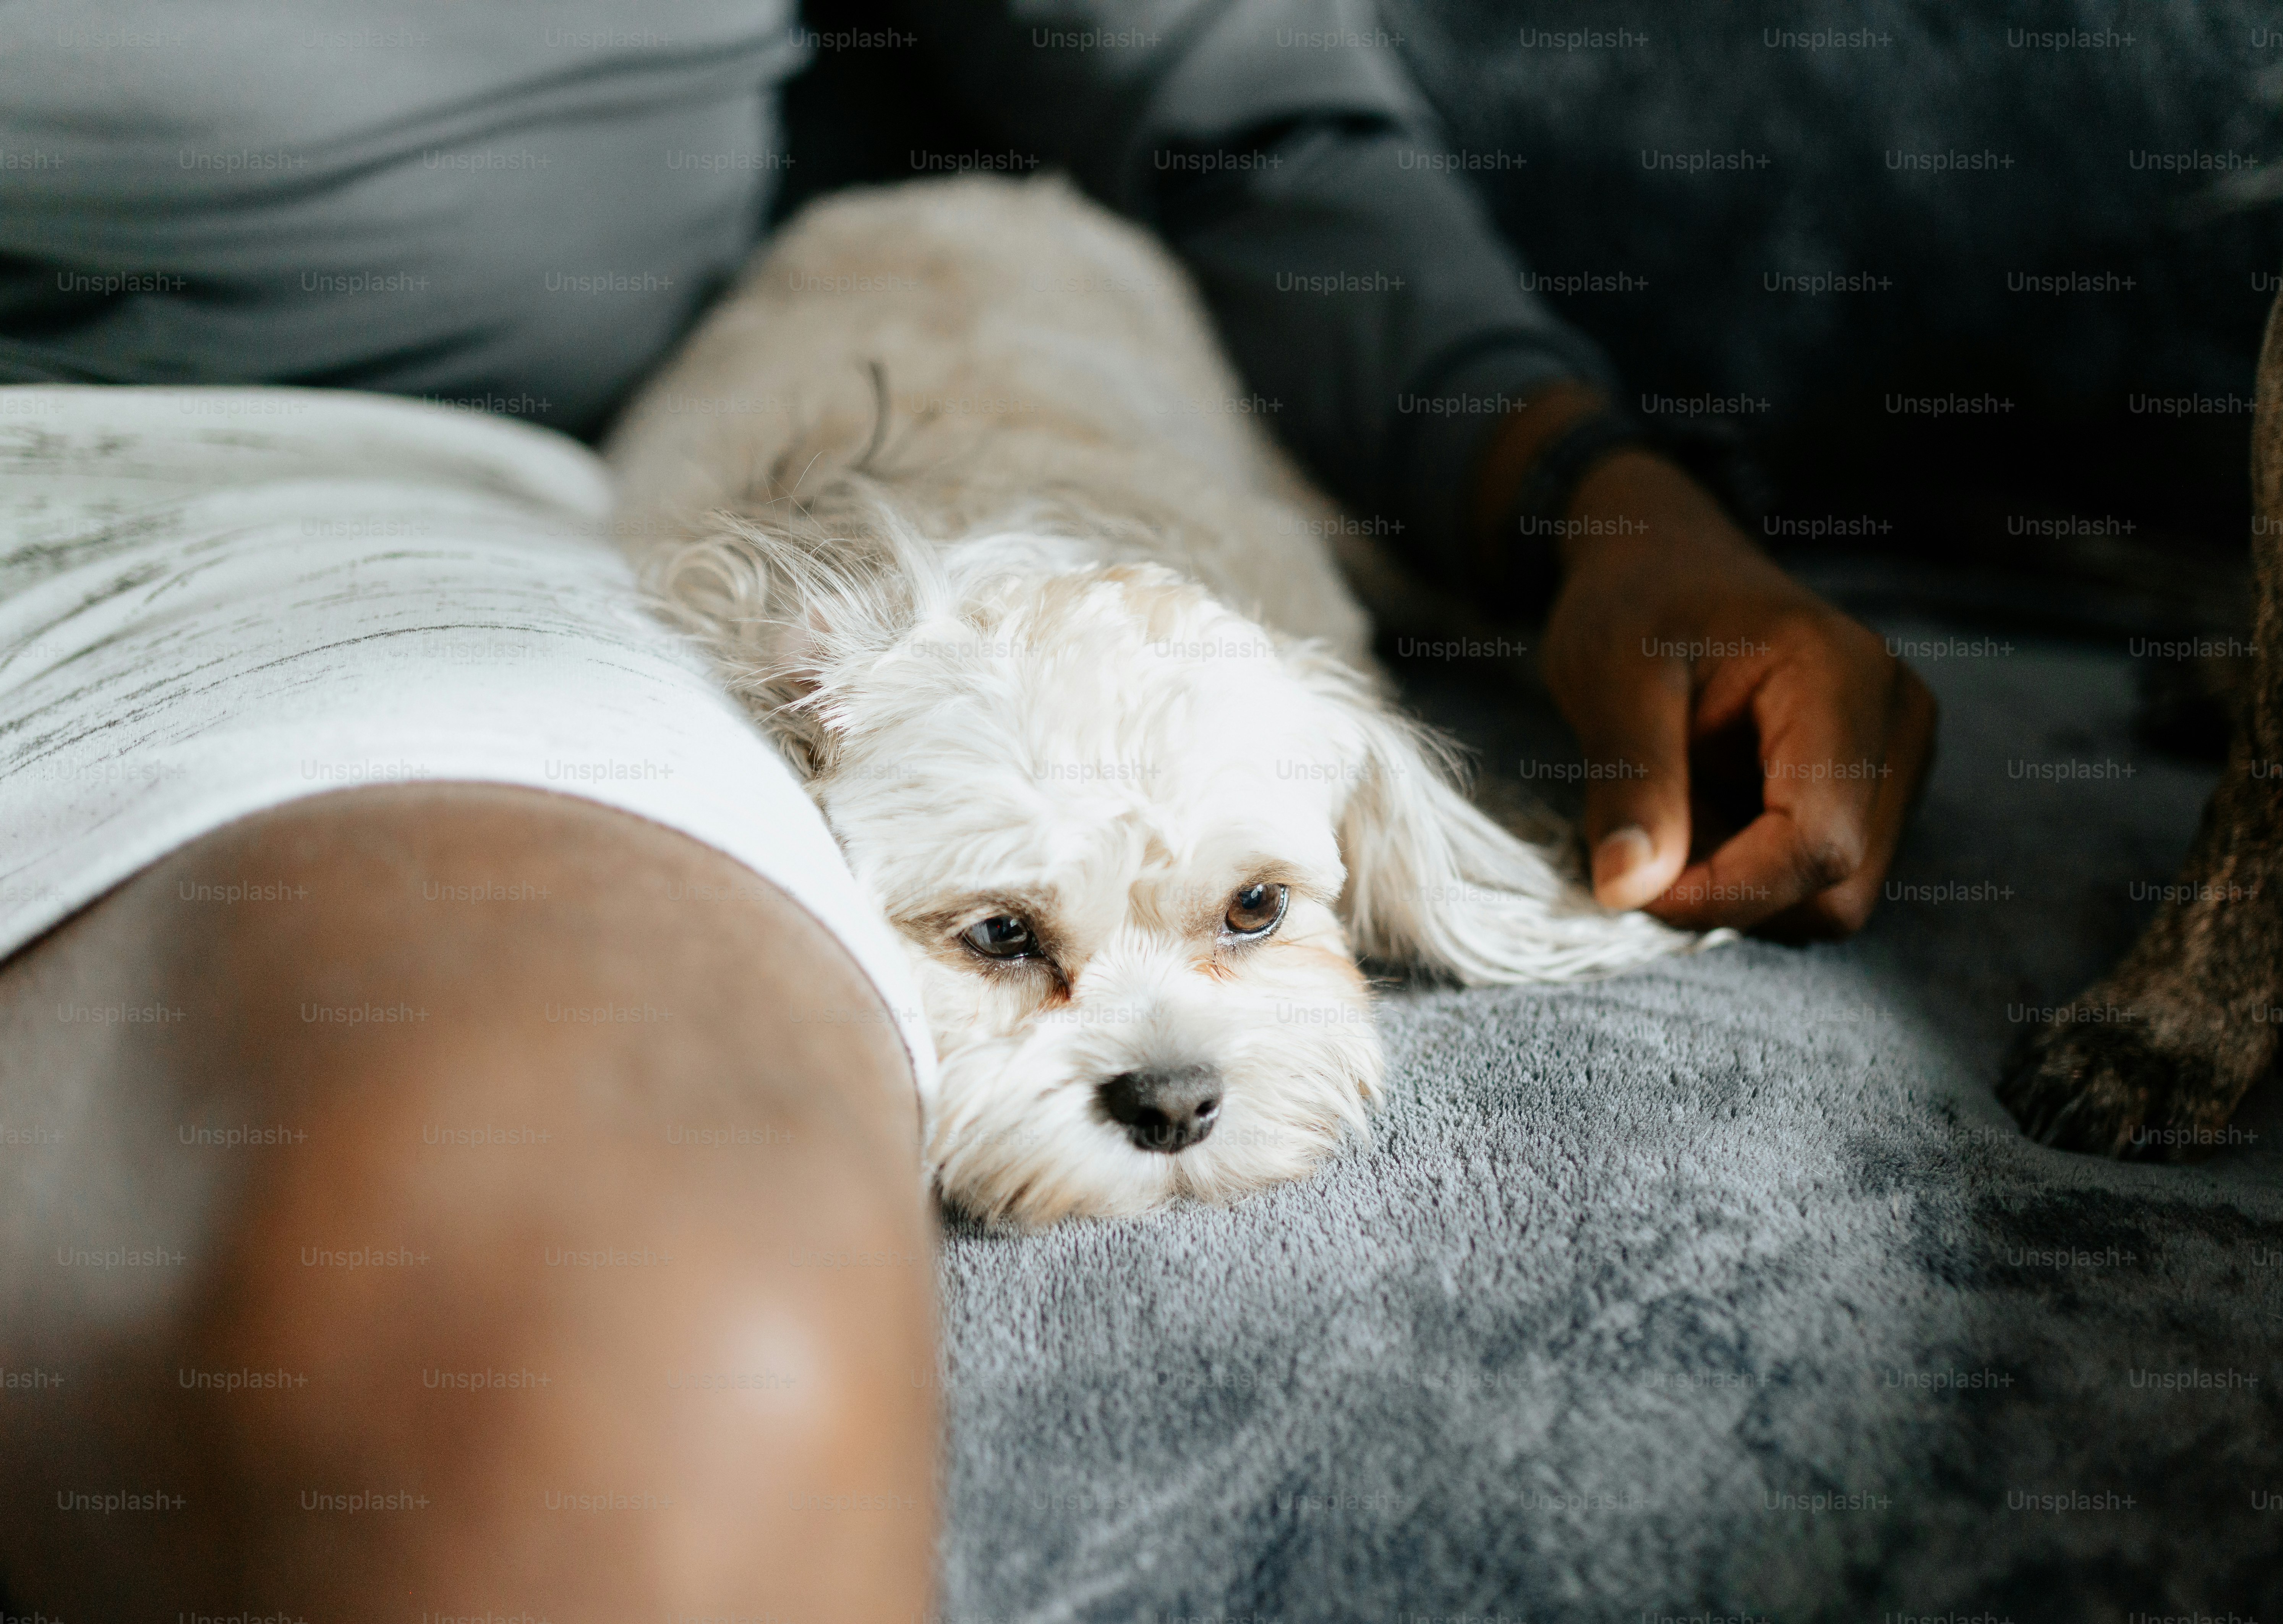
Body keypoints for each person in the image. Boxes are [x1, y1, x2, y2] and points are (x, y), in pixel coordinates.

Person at [0, 2, 1933, 1616]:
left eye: (1256, 915)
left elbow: (1236, 106)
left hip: (394, 517)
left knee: (622, 1362)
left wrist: (1604, 504)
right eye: (1006, 940)